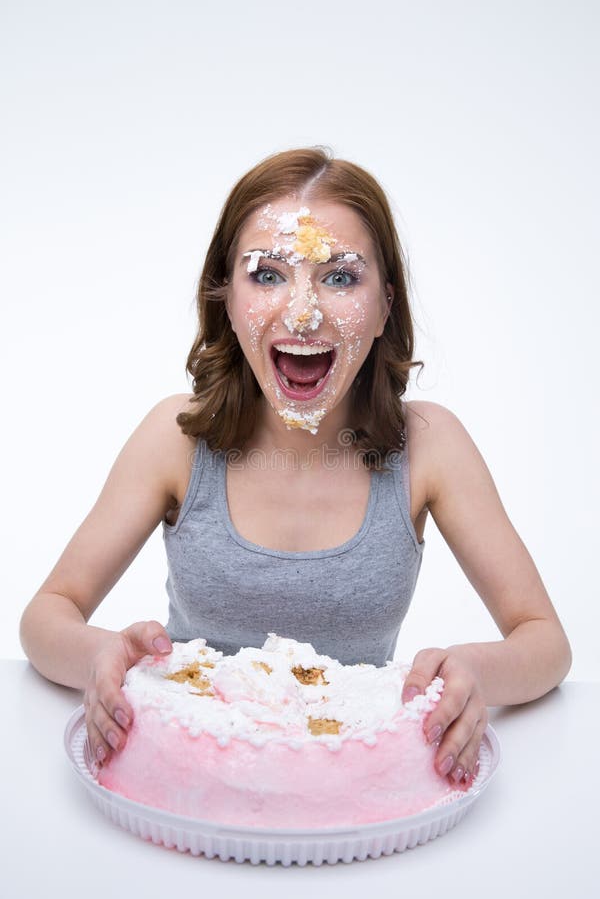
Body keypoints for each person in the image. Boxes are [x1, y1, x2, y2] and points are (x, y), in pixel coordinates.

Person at [20, 147, 571, 789]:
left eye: (340, 277)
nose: (303, 313)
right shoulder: (175, 438)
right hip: (187, 775)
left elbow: (546, 644)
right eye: (267, 274)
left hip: (349, 785)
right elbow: (46, 616)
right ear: (224, 298)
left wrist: (475, 670)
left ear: (386, 303)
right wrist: (100, 657)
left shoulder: (430, 447)